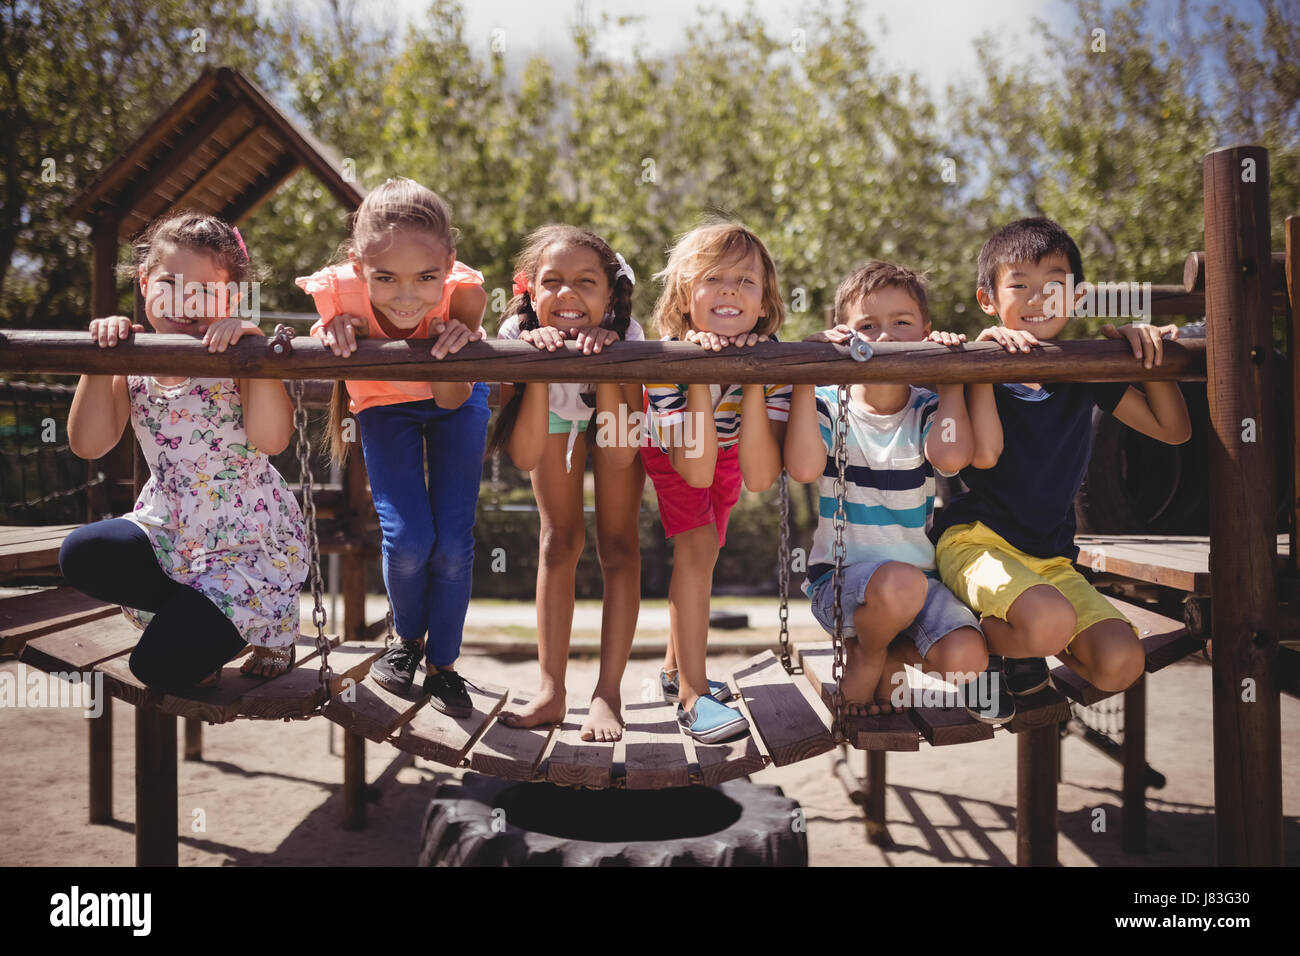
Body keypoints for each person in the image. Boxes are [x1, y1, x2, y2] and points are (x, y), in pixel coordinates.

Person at [931, 217, 1192, 698]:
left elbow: (1173, 431)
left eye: (1054, 285)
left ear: (1078, 297)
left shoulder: (1082, 371)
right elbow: (984, 457)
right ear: (988, 300)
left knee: (1120, 662)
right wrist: (984, 366)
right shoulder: (972, 362)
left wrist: (1149, 355)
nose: (1037, 298)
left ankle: (1025, 638)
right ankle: (984, 640)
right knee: (1047, 621)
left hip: (1050, 559)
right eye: (1020, 285)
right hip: (976, 542)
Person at [61, 211, 307, 691]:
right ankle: (206, 619)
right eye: (170, 283)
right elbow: (89, 444)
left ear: (233, 299)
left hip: (246, 546)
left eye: (206, 291)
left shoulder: (236, 357)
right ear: (144, 280)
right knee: (82, 553)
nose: (186, 302)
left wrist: (255, 356)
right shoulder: (132, 356)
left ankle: (265, 623)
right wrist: (99, 358)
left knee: (156, 671)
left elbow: (272, 440)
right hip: (169, 532)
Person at [297, 177, 487, 717]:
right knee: (408, 539)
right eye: (386, 278)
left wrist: (452, 343)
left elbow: (452, 399)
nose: (407, 296)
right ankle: (405, 641)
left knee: (451, 541)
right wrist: (328, 330)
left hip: (455, 398)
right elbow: (322, 336)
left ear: (449, 265)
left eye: (427, 278)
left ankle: (443, 667)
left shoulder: (465, 292)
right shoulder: (338, 292)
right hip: (382, 402)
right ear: (358, 267)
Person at [784, 261, 1006, 721]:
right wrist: (805, 375)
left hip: (917, 585)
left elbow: (950, 458)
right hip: (841, 585)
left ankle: (883, 649)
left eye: (901, 323)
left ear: (926, 330)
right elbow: (804, 468)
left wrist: (946, 378)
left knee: (968, 659)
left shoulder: (926, 407)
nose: (884, 338)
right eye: (868, 326)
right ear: (843, 335)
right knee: (899, 584)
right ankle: (867, 653)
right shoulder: (828, 403)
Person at [490, 225, 646, 742]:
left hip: (612, 416)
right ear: (530, 293)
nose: (568, 294)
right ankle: (551, 691)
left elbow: (621, 454)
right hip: (552, 417)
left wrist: (607, 363)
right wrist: (536, 365)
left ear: (610, 295)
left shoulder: (631, 339)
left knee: (619, 547)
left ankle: (608, 693)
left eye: (585, 282)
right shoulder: (515, 337)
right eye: (552, 282)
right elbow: (525, 452)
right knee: (559, 541)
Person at [643, 221, 789, 743]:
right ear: (685, 296)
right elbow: (693, 467)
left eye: (746, 282)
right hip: (675, 450)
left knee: (708, 552)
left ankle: (671, 671)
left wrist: (749, 372)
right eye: (714, 278)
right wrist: (704, 374)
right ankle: (691, 696)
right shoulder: (665, 360)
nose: (730, 290)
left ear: (765, 302)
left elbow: (759, 476)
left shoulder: (772, 358)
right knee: (696, 547)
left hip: (730, 451)